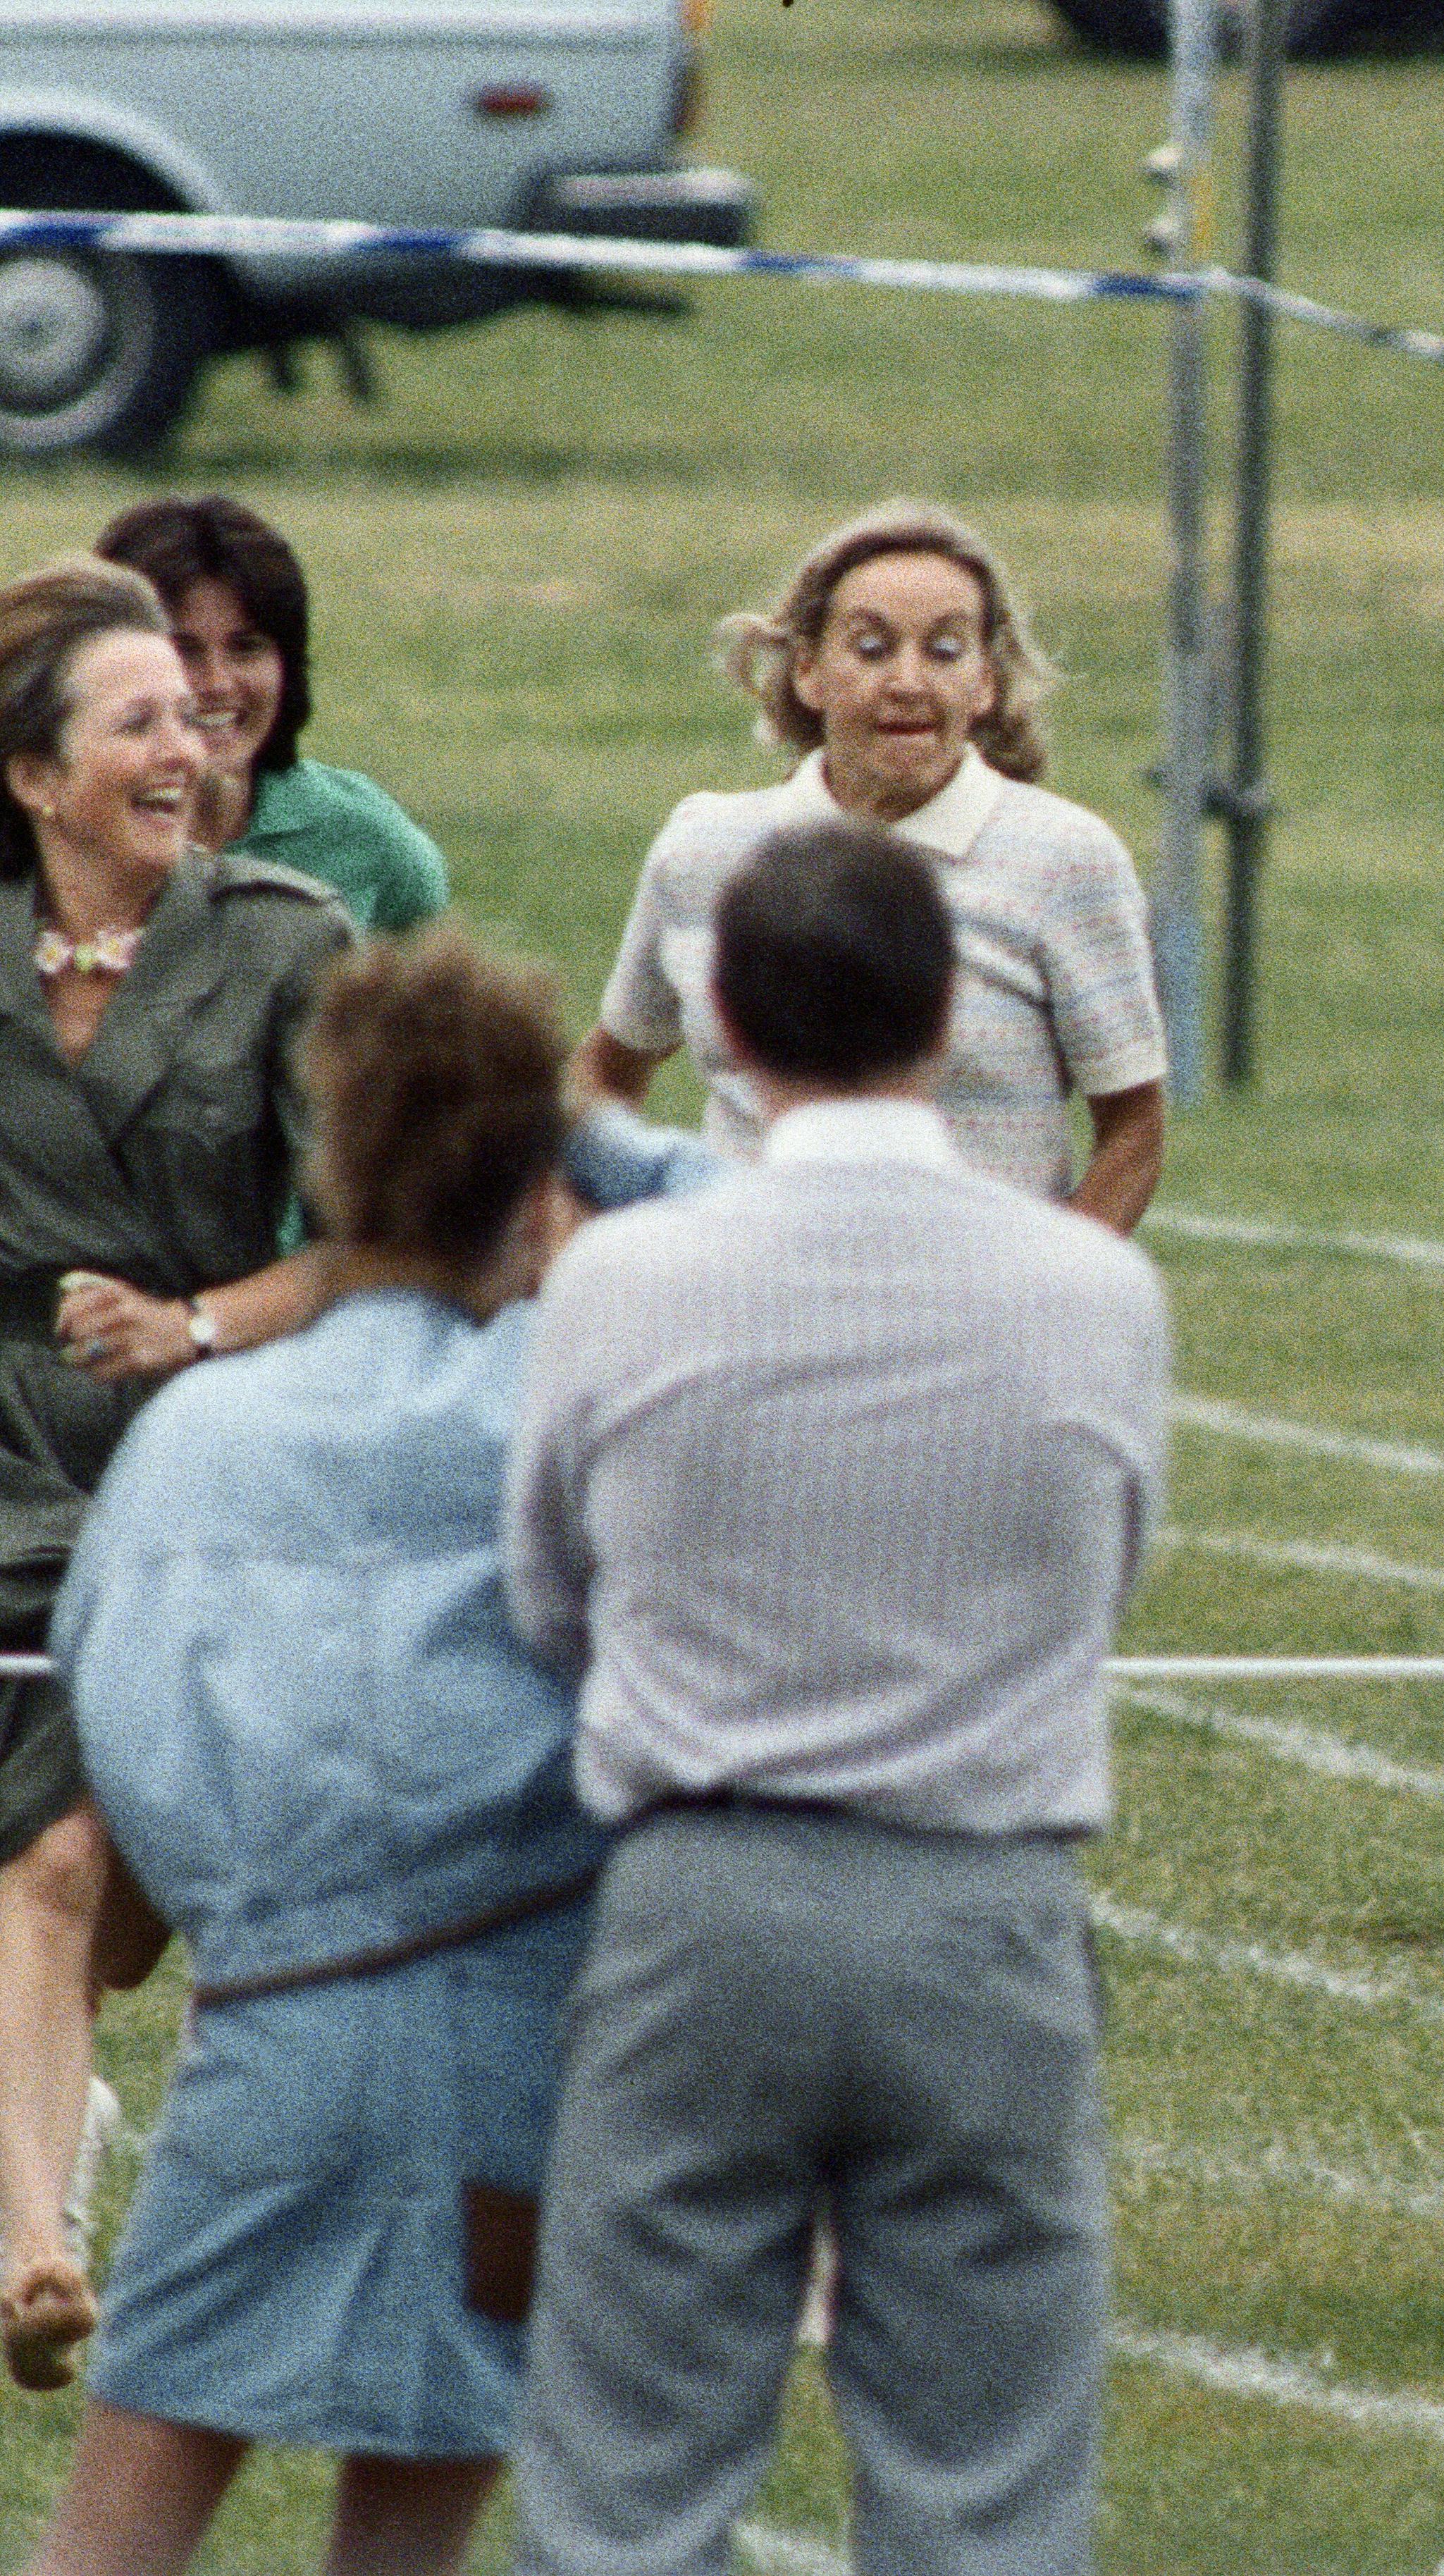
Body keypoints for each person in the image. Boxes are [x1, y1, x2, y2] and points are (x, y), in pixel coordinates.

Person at [501, 820, 1167, 2572]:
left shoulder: (626, 1278)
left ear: (718, 1013)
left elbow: (545, 1592)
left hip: (699, 1898)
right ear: (946, 1015)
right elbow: (1101, 1571)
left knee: (629, 2477)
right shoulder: (1092, 1287)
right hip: (983, 1903)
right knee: (986, 2487)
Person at [23, 934, 716, 2576]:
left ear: (332, 1164)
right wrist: (594, 1139)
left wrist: (238, 1904)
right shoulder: (571, 1394)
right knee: (412, 2518)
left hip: (267, 2020)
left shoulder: (204, 1429)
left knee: (122, 2508)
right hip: (511, 2040)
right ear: (533, 1176)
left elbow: (110, 1699)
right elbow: (748, 1228)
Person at [0, 555, 349, 2394]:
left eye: (198, 715)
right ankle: (38, 2242)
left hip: (186, 1453)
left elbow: (374, 1239)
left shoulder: (286, 937)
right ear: (35, 776)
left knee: (100, 1877)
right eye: (137, 716)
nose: (188, 741)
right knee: (48, 1848)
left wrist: (200, 1326)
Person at [574, 498, 1168, 1228]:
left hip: (971, 1313)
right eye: (871, 647)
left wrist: (1042, 1288)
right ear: (808, 671)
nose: (908, 682)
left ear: (986, 680)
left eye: (946, 650)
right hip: (748, 1304)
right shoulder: (704, 851)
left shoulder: (1065, 860)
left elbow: (1134, 1125)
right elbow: (608, 1071)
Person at [94, 494, 448, 935]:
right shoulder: (58, 833)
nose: (217, 684)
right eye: (183, 651)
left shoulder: (369, 842)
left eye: (246, 648)